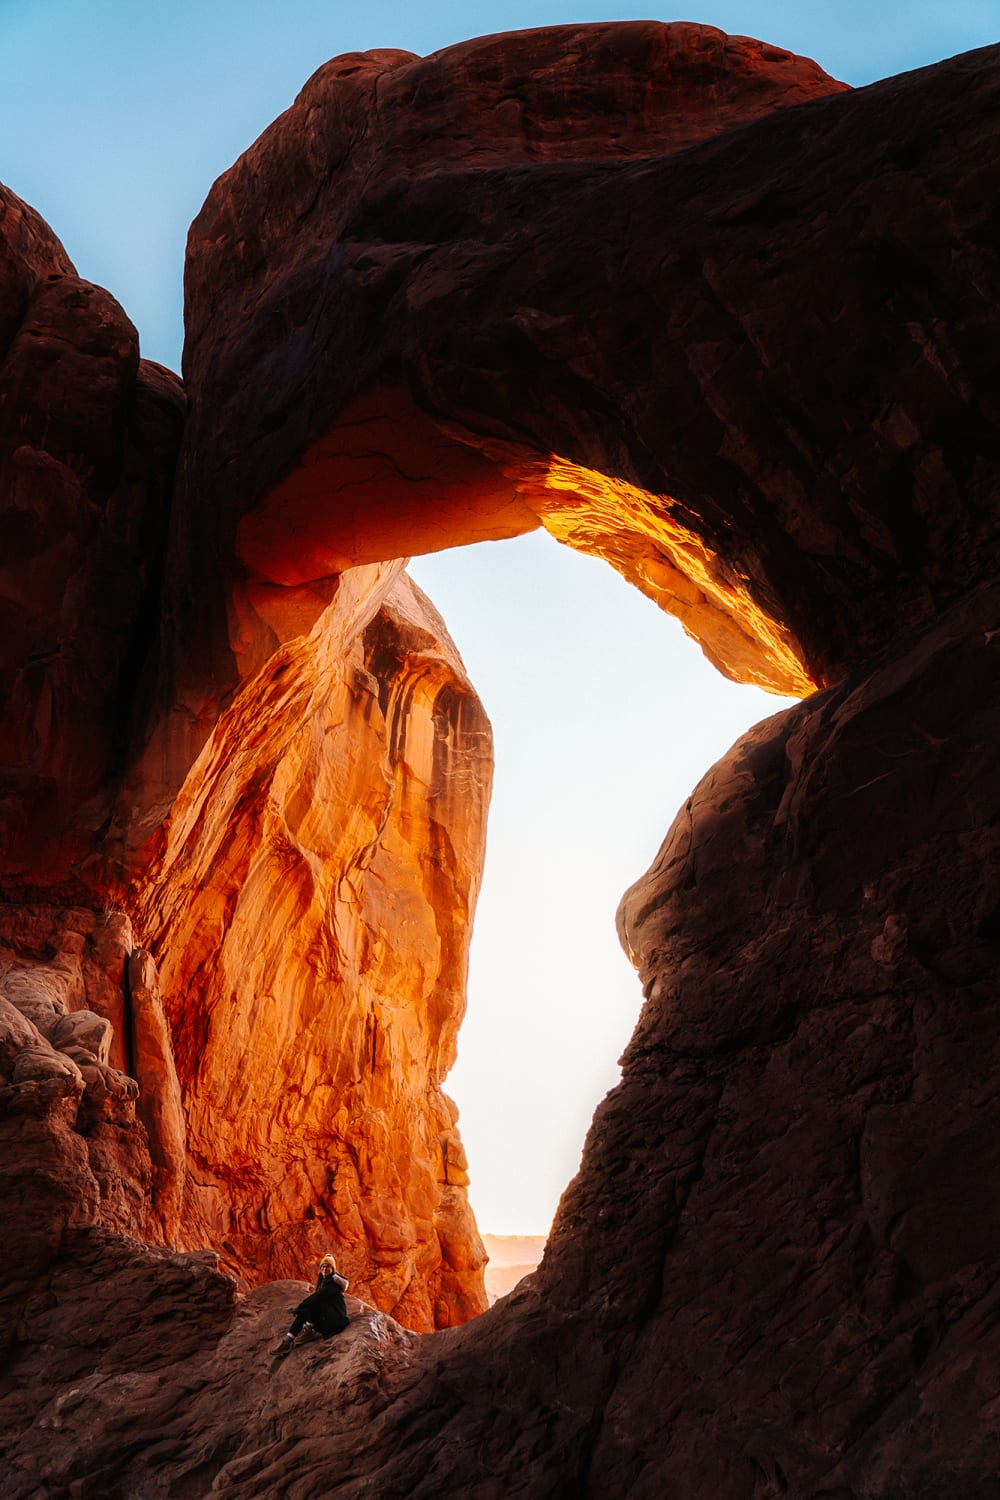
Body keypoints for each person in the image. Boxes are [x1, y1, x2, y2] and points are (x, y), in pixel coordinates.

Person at [272, 1253, 350, 1356]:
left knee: (313, 1305)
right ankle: (287, 1341)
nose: (325, 1269)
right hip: (327, 1316)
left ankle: (308, 1330)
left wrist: (299, 1307)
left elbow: (317, 1297)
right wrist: (300, 1309)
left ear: (333, 1269)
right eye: (323, 1266)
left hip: (336, 1321)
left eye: (328, 1267)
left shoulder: (333, 1285)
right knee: (306, 1310)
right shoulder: (324, 1280)